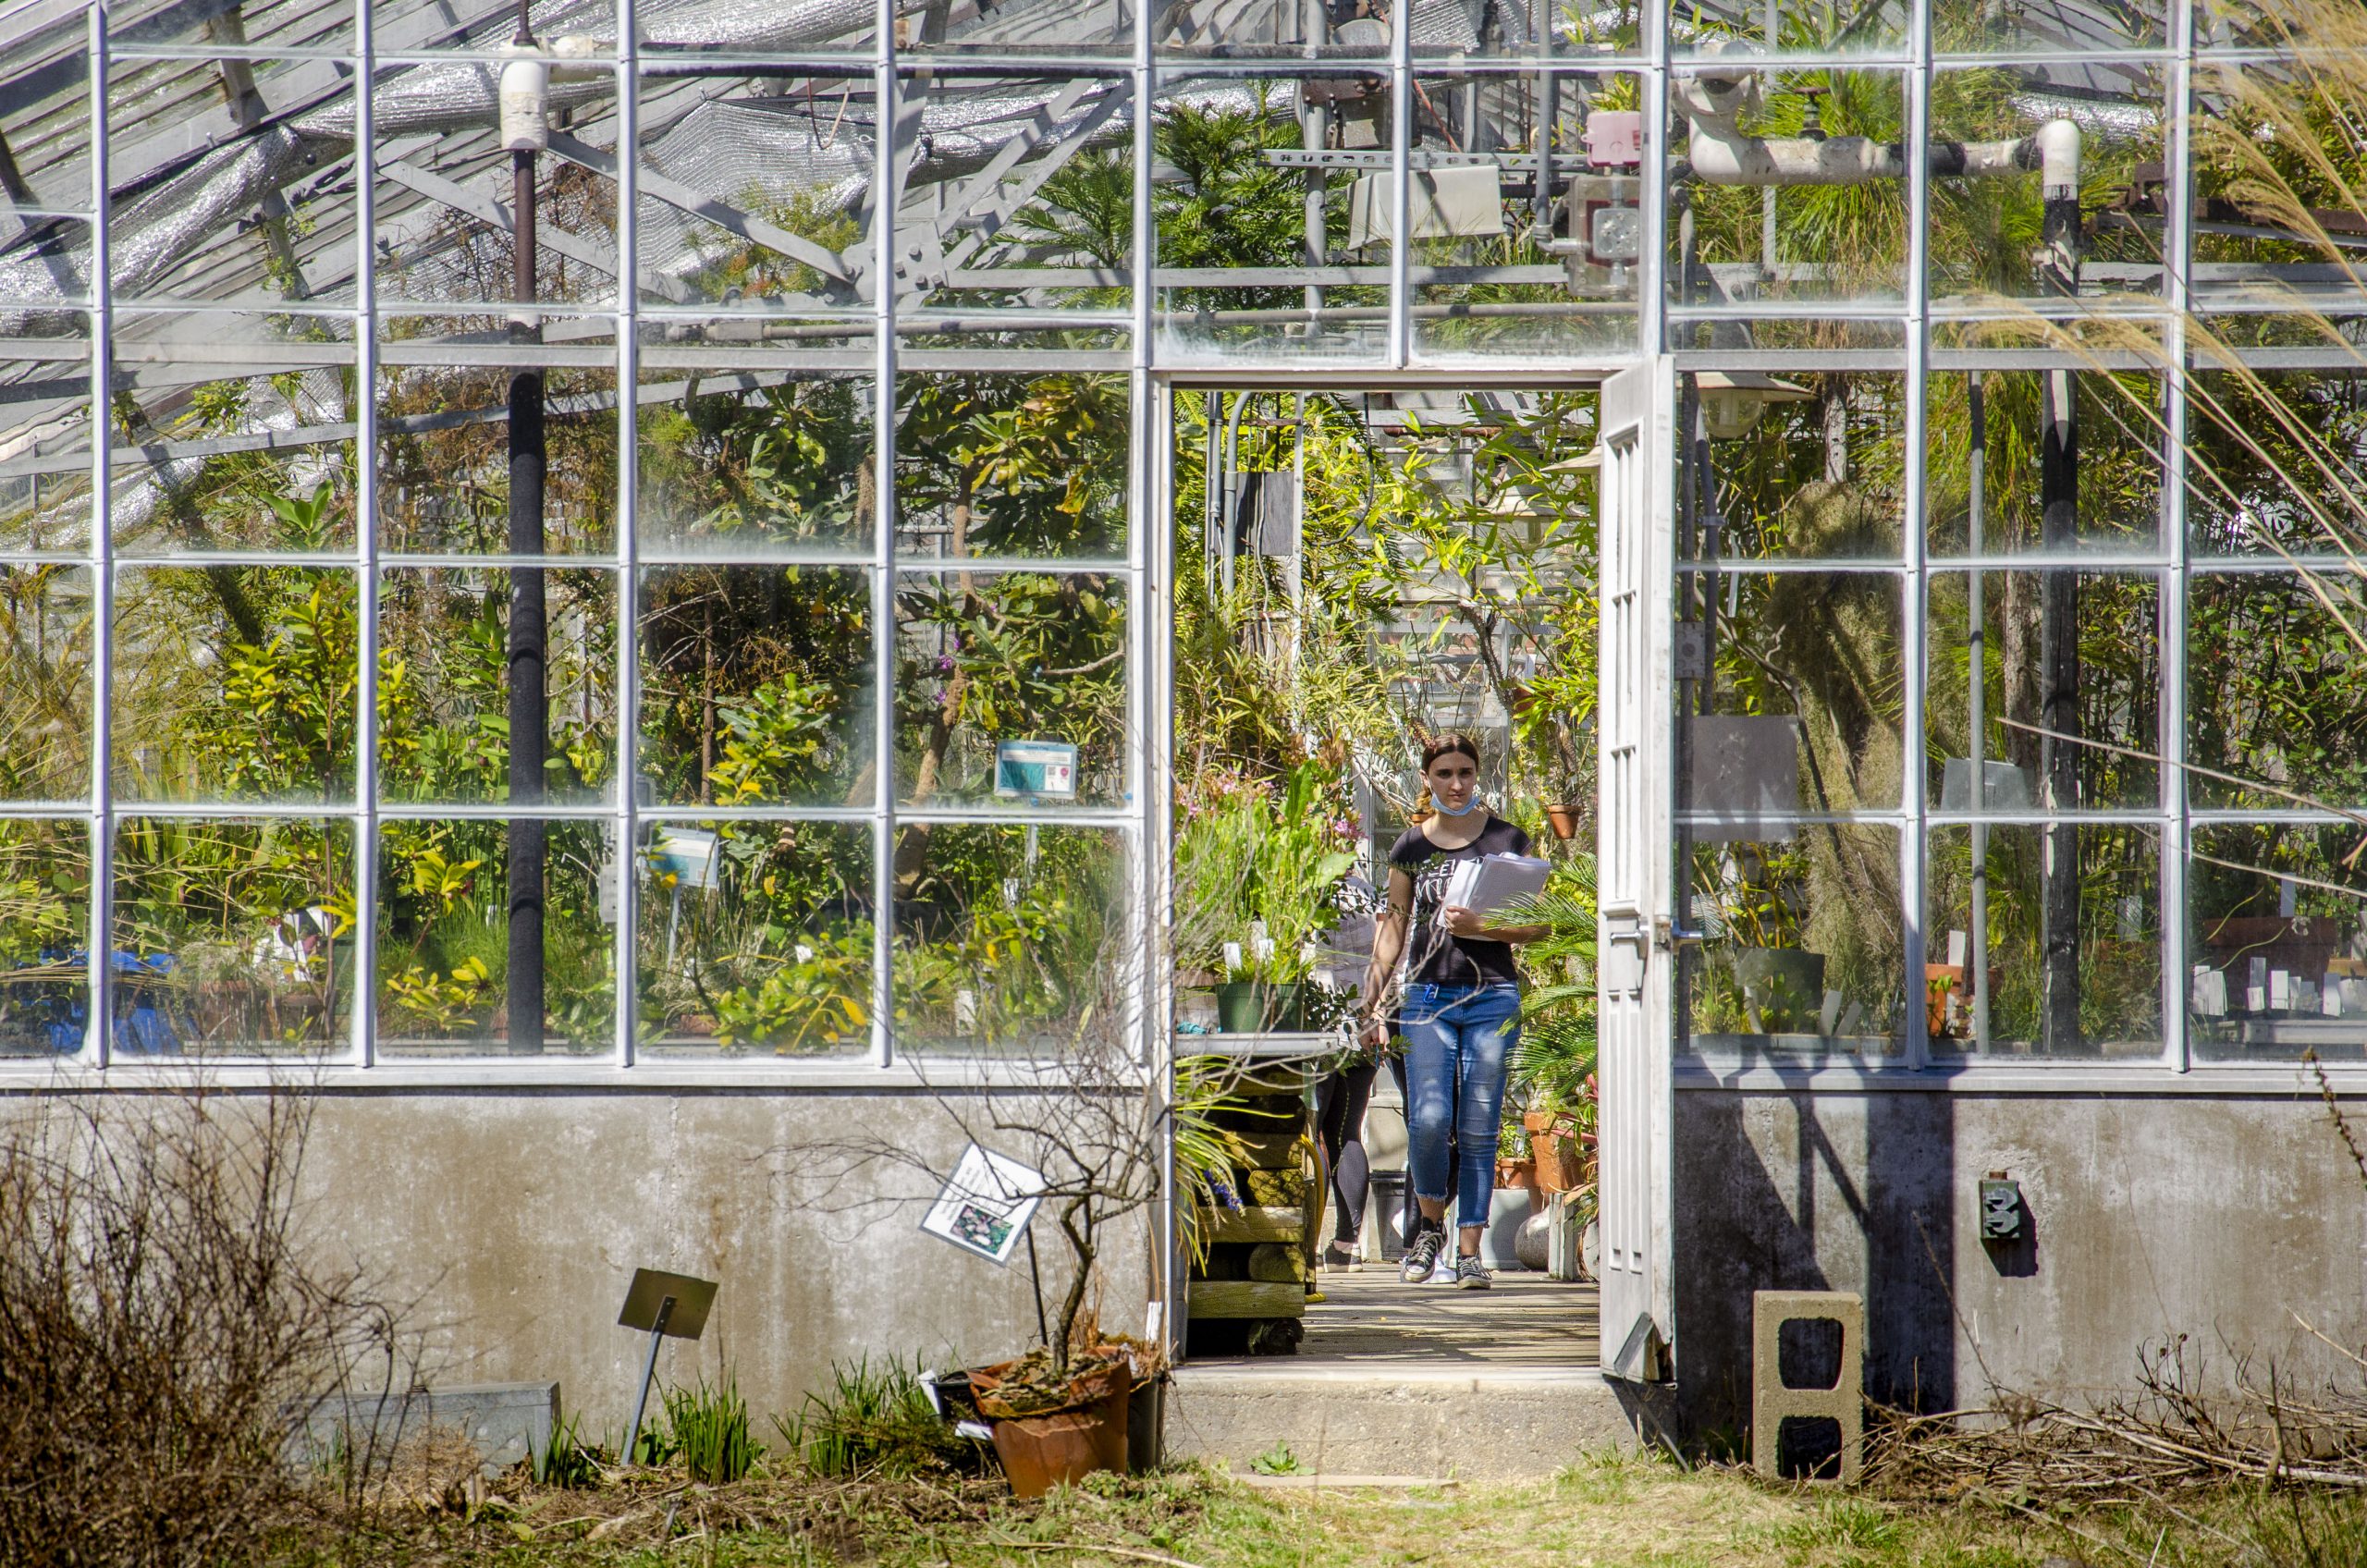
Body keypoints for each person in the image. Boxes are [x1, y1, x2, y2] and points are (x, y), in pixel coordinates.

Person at [1359, 732, 1543, 1290]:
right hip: (1427, 999)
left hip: (1492, 996)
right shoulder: (1410, 848)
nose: (1456, 783)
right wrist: (1369, 1006)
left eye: (1465, 772)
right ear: (1428, 779)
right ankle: (1429, 1231)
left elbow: (1536, 926)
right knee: (1430, 1119)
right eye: (1444, 774)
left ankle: (1469, 1253)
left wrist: (1479, 927)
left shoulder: (1507, 839)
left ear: (1476, 774)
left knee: (1479, 1125)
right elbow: (1393, 927)